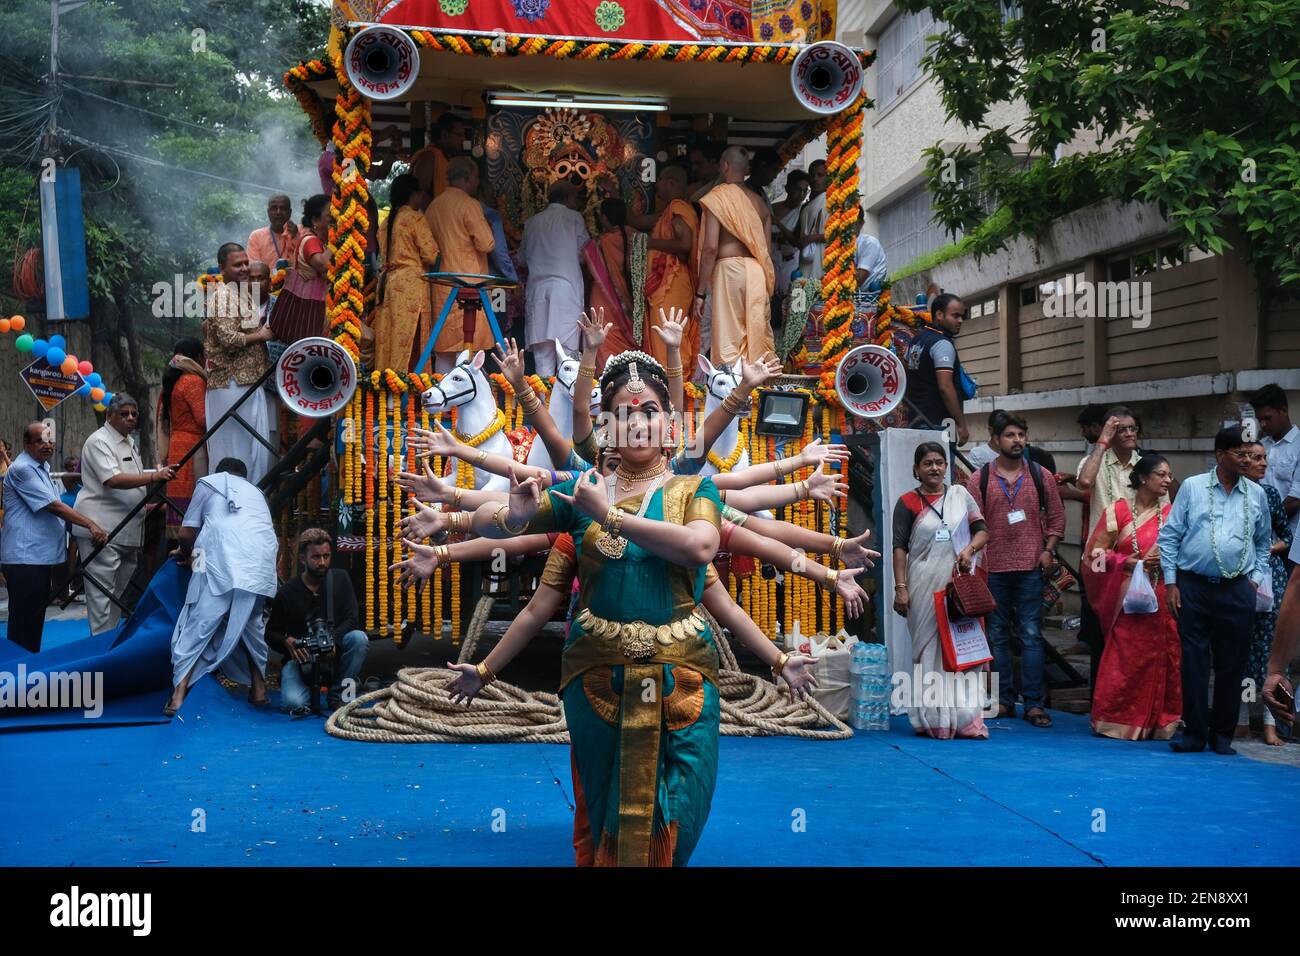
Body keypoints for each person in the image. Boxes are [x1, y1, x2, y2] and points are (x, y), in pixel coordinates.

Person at [463, 350, 726, 866]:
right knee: (604, 808)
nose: (639, 423)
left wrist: (611, 516)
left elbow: (698, 548)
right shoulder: (583, 491)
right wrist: (507, 516)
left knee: (685, 810)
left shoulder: (696, 488)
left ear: (670, 422)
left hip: (684, 677)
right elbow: (506, 520)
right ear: (608, 426)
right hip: (598, 679)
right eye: (625, 414)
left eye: (650, 410)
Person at [1158, 426, 1272, 755]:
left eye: (1251, 454)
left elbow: (1263, 542)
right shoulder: (1193, 488)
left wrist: (1254, 579)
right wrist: (1171, 583)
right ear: (1221, 455)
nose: (1247, 460)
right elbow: (1170, 537)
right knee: (1193, 663)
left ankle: (1222, 737)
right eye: (1240, 454)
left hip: (1238, 589)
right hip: (1193, 586)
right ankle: (1194, 734)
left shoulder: (1256, 494)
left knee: (1232, 664)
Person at [965, 412, 1065, 728]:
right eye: (1010, 435)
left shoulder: (1040, 475)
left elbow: (1058, 519)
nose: (1017, 440)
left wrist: (1048, 550)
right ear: (995, 440)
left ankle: (1034, 704)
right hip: (993, 569)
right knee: (996, 636)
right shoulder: (978, 479)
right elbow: (968, 523)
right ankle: (1005, 701)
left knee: (1032, 635)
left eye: (1021, 434)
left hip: (1031, 567)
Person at [165, 458, 278, 716]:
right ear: (244, 476)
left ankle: (178, 696)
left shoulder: (209, 483)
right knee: (252, 626)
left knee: (200, 623)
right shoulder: (257, 494)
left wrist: (187, 554)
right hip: (259, 565)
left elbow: (185, 534)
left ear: (221, 472)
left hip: (222, 560)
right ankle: (259, 692)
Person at [891, 441, 989, 738]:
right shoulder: (907, 502)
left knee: (962, 648)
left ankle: (966, 720)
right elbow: (899, 548)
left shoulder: (961, 496)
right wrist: (900, 588)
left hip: (959, 584)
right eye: (928, 463)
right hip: (922, 585)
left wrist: (970, 551)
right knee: (930, 650)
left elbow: (983, 531)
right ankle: (934, 720)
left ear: (947, 466)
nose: (934, 468)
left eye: (939, 462)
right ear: (916, 469)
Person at [1082, 455, 1182, 739]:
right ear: (1142, 479)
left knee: (1166, 657)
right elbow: (1095, 557)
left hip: (1163, 597)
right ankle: (1116, 720)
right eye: (1161, 475)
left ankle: (1161, 722)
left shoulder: (1173, 513)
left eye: (1169, 475)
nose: (1167, 481)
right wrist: (1129, 563)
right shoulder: (1118, 511)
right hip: (1129, 599)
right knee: (1125, 658)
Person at [73, 394, 177, 635]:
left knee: (117, 596)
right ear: (110, 416)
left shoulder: (129, 441)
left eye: (134, 413)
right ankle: (99, 649)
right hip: (102, 530)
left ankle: (108, 644)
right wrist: (154, 476)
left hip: (128, 532)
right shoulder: (99, 441)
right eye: (124, 413)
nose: (130, 418)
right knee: (101, 597)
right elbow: (112, 479)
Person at [1, 423, 106, 652]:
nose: (47, 445)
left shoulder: (41, 468)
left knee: (33, 620)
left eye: (50, 440)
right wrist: (90, 524)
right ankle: (17, 672)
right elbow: (54, 506)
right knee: (24, 622)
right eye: (40, 441)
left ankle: (26, 667)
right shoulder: (23, 469)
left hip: (37, 557)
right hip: (25, 558)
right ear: (27, 444)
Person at [267, 528, 368, 716]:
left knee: (358, 639)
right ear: (303, 559)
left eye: (326, 556)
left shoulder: (340, 579)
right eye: (316, 557)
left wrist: (333, 642)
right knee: (293, 703)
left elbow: (352, 619)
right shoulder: (287, 593)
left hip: (334, 658)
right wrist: (286, 641)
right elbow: (271, 632)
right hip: (302, 661)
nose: (322, 562)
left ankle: (337, 694)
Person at [694, 146, 777, 366]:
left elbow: (710, 248)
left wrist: (700, 293)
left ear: (725, 166)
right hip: (757, 272)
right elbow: (766, 252)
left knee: (729, 340)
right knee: (755, 337)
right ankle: (754, 392)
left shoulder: (717, 197)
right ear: (747, 169)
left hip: (729, 272)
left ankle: (730, 394)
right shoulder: (761, 204)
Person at [204, 242, 274, 484]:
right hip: (231, 384)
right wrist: (261, 335)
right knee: (235, 450)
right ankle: (232, 499)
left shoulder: (241, 294)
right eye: (237, 265)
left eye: (246, 262)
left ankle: (250, 497)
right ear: (222, 268)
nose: (245, 268)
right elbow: (228, 339)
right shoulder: (223, 297)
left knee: (254, 450)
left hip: (247, 383)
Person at [423, 157, 497, 373]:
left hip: (441, 283)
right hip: (469, 284)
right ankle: (464, 400)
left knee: (443, 350)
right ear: (466, 178)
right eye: (475, 179)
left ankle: (443, 403)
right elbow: (487, 243)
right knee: (468, 346)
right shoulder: (469, 204)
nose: (476, 184)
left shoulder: (433, 206)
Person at [1239, 441, 1291, 744]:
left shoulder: (1269, 495)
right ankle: (1243, 720)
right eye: (1256, 458)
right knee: (1239, 651)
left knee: (1274, 653)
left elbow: (1286, 537)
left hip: (1271, 578)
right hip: (1238, 579)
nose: (1263, 464)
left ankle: (1272, 724)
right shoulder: (1226, 495)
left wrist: (1264, 550)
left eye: (1264, 458)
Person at [633, 165, 699, 373]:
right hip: (668, 281)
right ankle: (665, 383)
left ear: (671, 183)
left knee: (669, 332)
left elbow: (685, 244)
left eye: (660, 179)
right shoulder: (669, 211)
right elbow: (634, 221)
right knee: (663, 333)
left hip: (674, 280)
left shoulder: (678, 207)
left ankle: (676, 388)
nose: (657, 184)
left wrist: (651, 243)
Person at [520, 180, 589, 377]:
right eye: (576, 197)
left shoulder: (532, 222)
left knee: (543, 357)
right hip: (565, 292)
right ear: (567, 198)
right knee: (568, 356)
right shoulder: (574, 218)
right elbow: (584, 254)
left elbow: (522, 259)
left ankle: (543, 405)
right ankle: (567, 407)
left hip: (538, 291)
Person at [373, 173, 440, 373]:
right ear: (414, 194)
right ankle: (407, 388)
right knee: (412, 338)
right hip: (410, 285)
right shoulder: (415, 217)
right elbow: (431, 254)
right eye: (420, 193)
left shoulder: (386, 223)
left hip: (387, 283)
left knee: (389, 339)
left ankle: (387, 387)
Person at [155, 338, 207, 536]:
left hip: (177, 445)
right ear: (199, 357)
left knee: (180, 500)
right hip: (192, 446)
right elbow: (202, 419)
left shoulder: (175, 380)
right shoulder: (192, 380)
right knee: (194, 496)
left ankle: (179, 544)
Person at [582, 199, 640, 372]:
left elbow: (587, 269)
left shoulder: (600, 243)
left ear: (605, 219)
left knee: (605, 336)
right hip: (632, 299)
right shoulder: (636, 235)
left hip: (603, 296)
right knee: (627, 338)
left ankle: (607, 378)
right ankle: (631, 377)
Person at [903, 292, 970, 443]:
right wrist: (961, 424)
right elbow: (945, 387)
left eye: (962, 317)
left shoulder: (916, 340)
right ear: (939, 314)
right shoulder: (942, 344)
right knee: (941, 466)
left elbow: (906, 378)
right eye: (955, 316)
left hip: (917, 421)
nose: (960, 321)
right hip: (939, 425)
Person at [1076, 406, 1161, 515]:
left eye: (1132, 428)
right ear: (1109, 433)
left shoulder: (1147, 466)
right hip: (1103, 531)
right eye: (1122, 430)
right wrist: (1103, 440)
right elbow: (1085, 482)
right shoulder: (1093, 462)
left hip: (1135, 531)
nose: (1129, 434)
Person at [269, 193, 330, 345]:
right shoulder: (311, 240)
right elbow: (322, 264)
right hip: (307, 308)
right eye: (331, 216)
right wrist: (337, 240)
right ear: (315, 220)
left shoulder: (320, 241)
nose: (336, 220)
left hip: (313, 306)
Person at [1249, 384, 1300, 550]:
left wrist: (1265, 523)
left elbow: (1296, 498)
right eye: (1259, 419)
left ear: (1283, 410)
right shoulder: (1260, 447)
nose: (1262, 424)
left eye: (1267, 418)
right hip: (1261, 540)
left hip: (1292, 541)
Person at [410, 112, 466, 201]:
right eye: (459, 135)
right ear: (445, 135)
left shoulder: (446, 158)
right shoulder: (429, 156)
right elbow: (419, 194)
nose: (463, 139)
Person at [771, 170, 810, 294]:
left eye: (805, 191)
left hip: (791, 265)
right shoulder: (771, 209)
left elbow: (797, 241)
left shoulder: (804, 212)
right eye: (798, 189)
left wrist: (779, 224)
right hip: (769, 263)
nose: (801, 194)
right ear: (787, 188)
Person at [796, 159, 828, 286]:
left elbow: (840, 235)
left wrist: (812, 238)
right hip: (804, 267)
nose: (815, 179)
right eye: (812, 175)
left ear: (828, 177)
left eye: (820, 175)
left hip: (823, 268)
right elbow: (798, 239)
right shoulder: (805, 207)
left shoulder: (833, 200)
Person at [245, 194, 298, 270]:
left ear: (290, 212)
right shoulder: (256, 236)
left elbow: (303, 266)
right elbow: (254, 269)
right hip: (267, 281)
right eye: (274, 208)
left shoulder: (300, 233)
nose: (278, 212)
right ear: (268, 212)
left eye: (283, 208)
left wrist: (295, 237)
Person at [854, 225, 888, 297]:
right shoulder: (841, 245)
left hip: (870, 298)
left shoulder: (869, 242)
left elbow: (860, 278)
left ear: (861, 223)